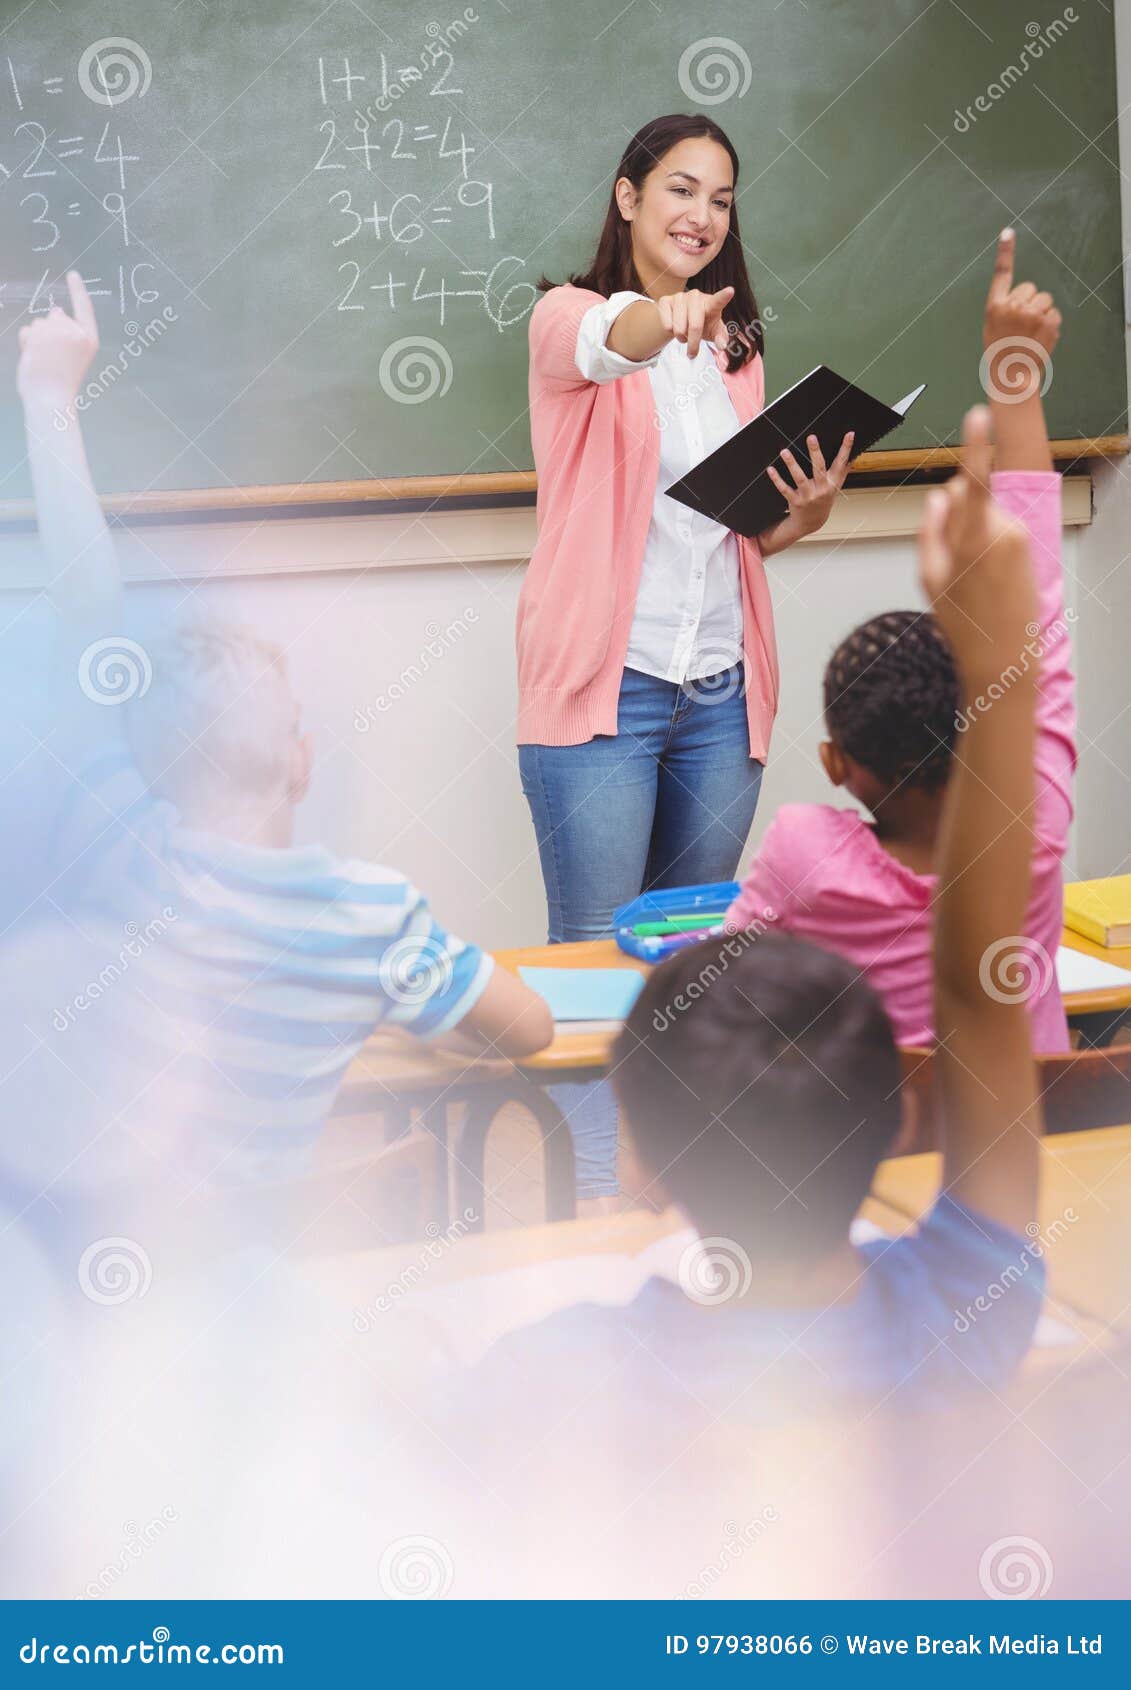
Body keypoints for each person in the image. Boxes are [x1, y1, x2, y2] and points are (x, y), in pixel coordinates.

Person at [464, 402, 1046, 1464]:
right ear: (903, 1123)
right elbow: (978, 994)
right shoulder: (964, 1319)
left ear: (638, 1163)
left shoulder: (557, 1375)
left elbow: (973, 997)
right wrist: (1001, 653)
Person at [18, 275, 552, 1185]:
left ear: (147, 768)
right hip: (250, 1273)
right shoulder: (368, 918)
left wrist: (46, 394)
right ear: (299, 765)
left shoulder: (126, 855)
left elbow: (86, 616)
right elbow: (531, 1028)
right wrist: (396, 990)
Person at [518, 113, 853, 1203]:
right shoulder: (568, 320)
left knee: (691, 971)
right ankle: (596, 1213)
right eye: (679, 190)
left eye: (720, 198)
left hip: (717, 693)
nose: (702, 216)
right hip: (603, 695)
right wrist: (666, 324)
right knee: (592, 972)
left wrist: (803, 513)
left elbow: (738, 533)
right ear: (627, 198)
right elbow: (610, 336)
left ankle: (681, 1209)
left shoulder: (737, 356)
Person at [728, 230, 1073, 1050]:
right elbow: (1041, 610)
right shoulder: (1033, 825)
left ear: (837, 766)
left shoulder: (805, 855)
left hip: (862, 1165)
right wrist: (1014, 378)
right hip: (1018, 1152)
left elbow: (726, 989)